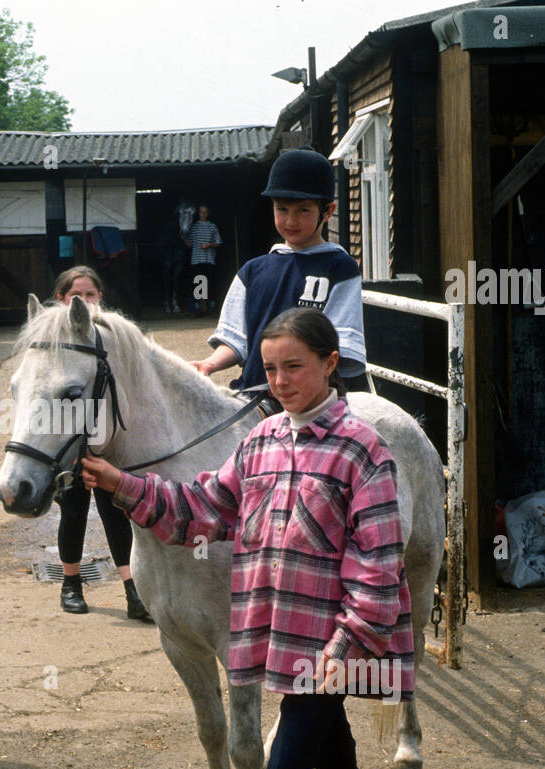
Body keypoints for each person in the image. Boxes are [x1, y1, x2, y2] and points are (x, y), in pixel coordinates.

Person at [80, 308, 413, 769]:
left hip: (330, 648)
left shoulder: (362, 450)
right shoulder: (260, 441)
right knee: (335, 761)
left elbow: (379, 565)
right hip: (283, 639)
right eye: (271, 369)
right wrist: (124, 484)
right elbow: (203, 508)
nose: (280, 383)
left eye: (295, 367)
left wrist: (345, 647)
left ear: (331, 364)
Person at [192, 148, 365, 409]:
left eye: (303, 210)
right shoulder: (251, 271)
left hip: (312, 404)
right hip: (253, 397)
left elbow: (341, 349)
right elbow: (235, 339)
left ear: (327, 211)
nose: (290, 220)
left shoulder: (340, 268)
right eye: (282, 209)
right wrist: (210, 364)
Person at [47, 266, 150, 622]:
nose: (85, 302)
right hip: (70, 441)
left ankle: (133, 590)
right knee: (73, 512)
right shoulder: (52, 345)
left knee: (116, 512)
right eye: (76, 296)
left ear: (100, 298)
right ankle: (70, 584)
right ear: (60, 300)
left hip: (109, 439)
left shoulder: (114, 339)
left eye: (91, 295)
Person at [183, 203, 222, 316]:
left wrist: (209, 245)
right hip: (196, 260)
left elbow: (218, 242)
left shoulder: (212, 226)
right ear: (198, 213)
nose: (203, 214)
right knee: (198, 283)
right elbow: (189, 244)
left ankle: (210, 308)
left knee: (209, 283)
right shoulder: (193, 227)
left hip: (209, 259)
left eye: (205, 212)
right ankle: (199, 308)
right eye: (201, 212)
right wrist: (183, 238)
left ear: (208, 213)